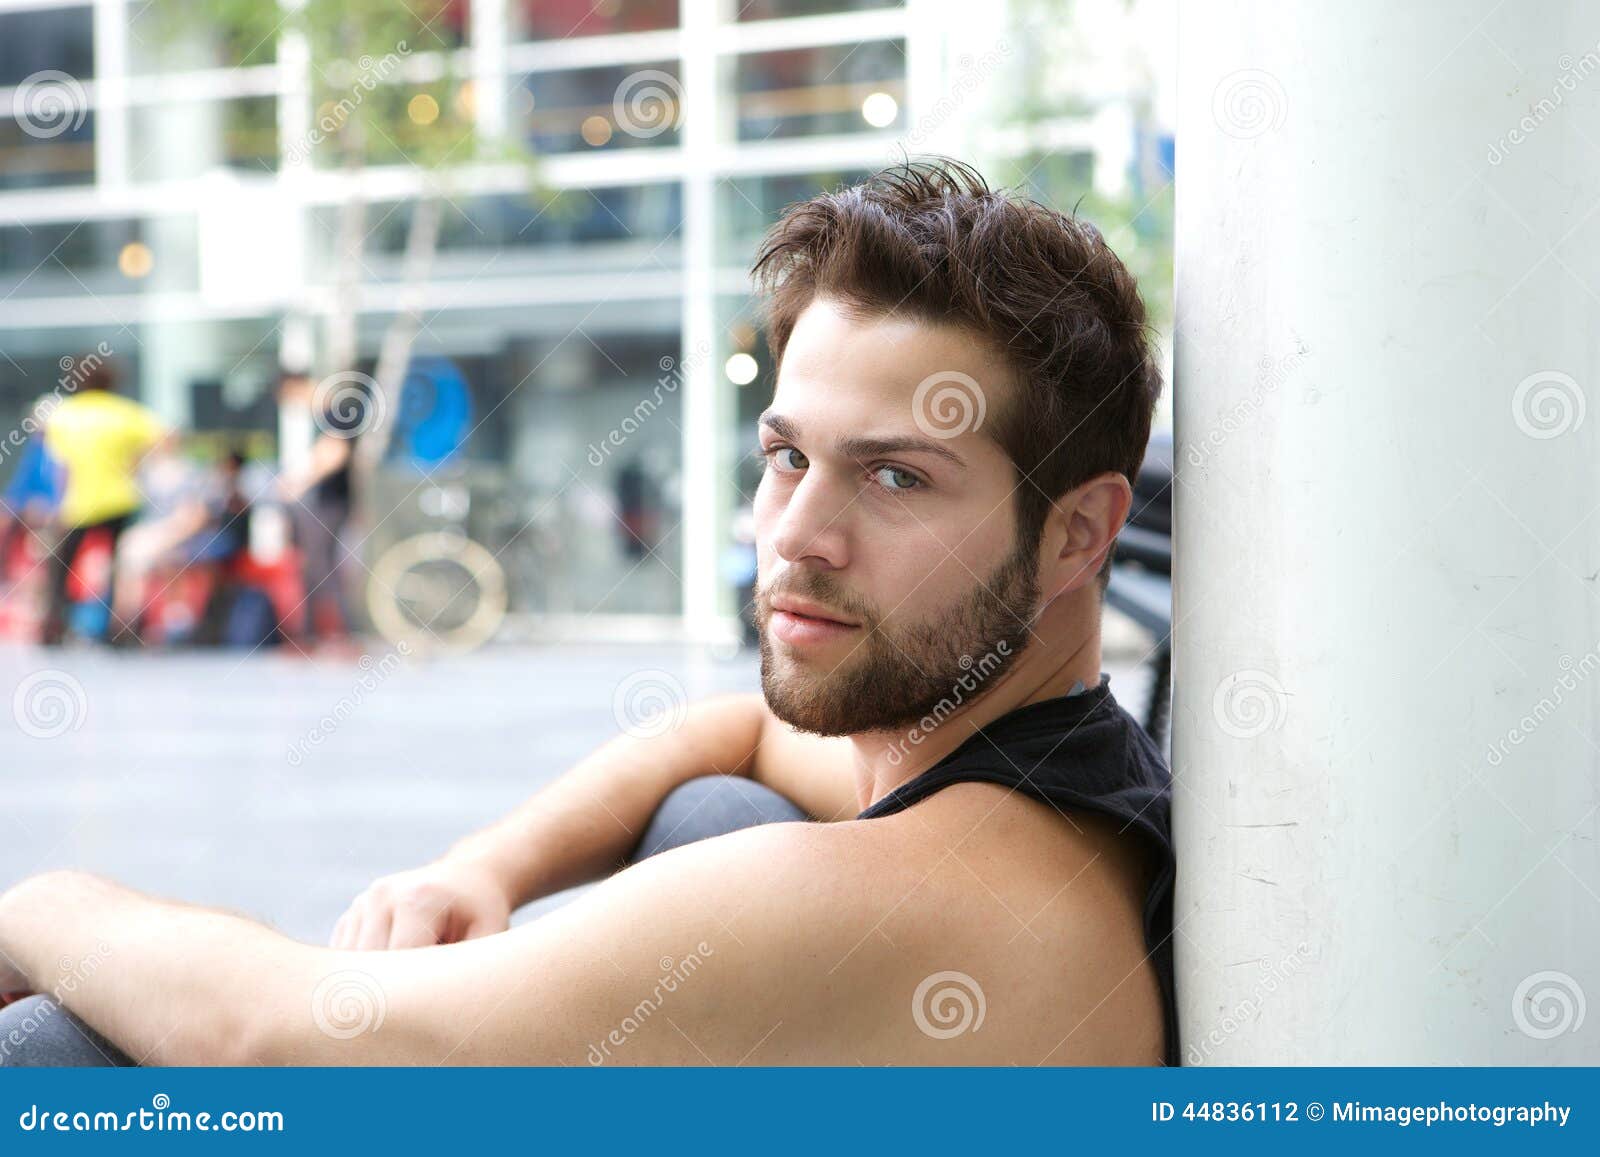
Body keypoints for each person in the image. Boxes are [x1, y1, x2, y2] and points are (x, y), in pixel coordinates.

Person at [0, 159, 1174, 1066]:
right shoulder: (1033, 767)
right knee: (716, 799)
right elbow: (745, 734)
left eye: (896, 475)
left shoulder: (923, 900)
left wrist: (39, 904)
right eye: (785, 457)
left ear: (1077, 531)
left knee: (57, 1053)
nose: (795, 531)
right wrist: (485, 865)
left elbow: (284, 1039)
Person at [38, 358, 170, 645]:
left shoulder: (64, 416)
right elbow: (164, 439)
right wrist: (137, 464)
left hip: (79, 503)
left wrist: (57, 505)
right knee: (120, 565)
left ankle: (53, 624)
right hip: (122, 499)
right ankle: (120, 628)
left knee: (61, 565)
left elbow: (61, 467)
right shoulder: (127, 413)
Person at [276, 370, 364, 646]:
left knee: (320, 565)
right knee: (318, 565)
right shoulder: (333, 411)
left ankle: (333, 633)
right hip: (331, 500)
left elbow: (336, 454)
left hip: (330, 502)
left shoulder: (334, 410)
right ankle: (319, 632)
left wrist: (298, 482)